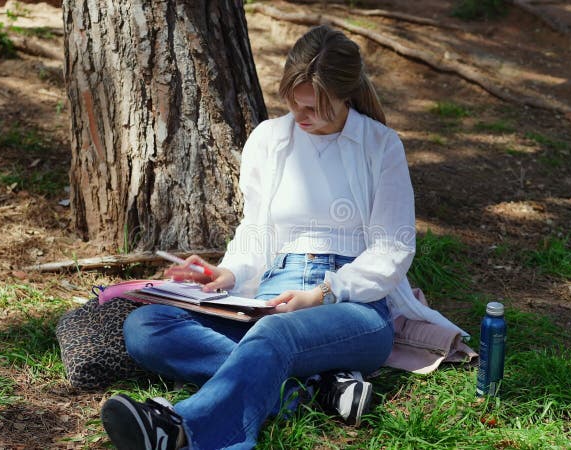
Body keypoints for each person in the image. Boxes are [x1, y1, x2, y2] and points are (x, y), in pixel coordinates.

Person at [100, 25, 457, 450]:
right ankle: (305, 391)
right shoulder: (269, 140)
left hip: (352, 307)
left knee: (276, 335)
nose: (301, 115)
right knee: (146, 326)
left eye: (316, 107)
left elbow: (392, 250)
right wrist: (228, 273)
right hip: (271, 292)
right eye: (294, 102)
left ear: (346, 96)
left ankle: (181, 429)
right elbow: (256, 229)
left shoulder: (379, 146)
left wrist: (324, 293)